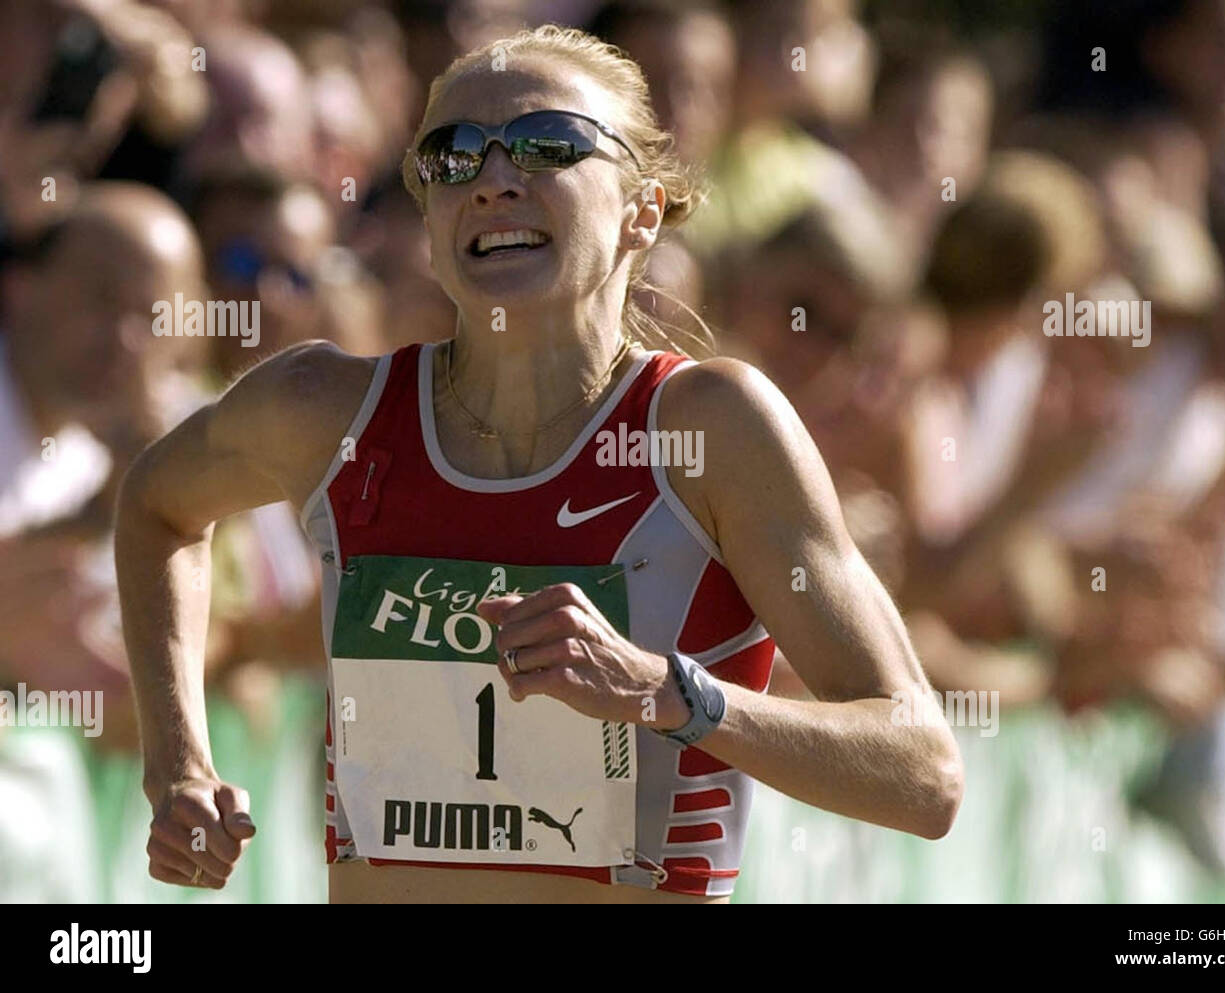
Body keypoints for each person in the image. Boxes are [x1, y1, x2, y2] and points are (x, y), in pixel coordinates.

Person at [115, 25, 962, 904]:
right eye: (451, 158)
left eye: (545, 145)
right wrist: (176, 764)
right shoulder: (326, 410)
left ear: (645, 207)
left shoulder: (712, 428)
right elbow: (156, 507)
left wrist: (669, 695)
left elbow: (923, 770)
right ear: (431, 223)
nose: (491, 181)